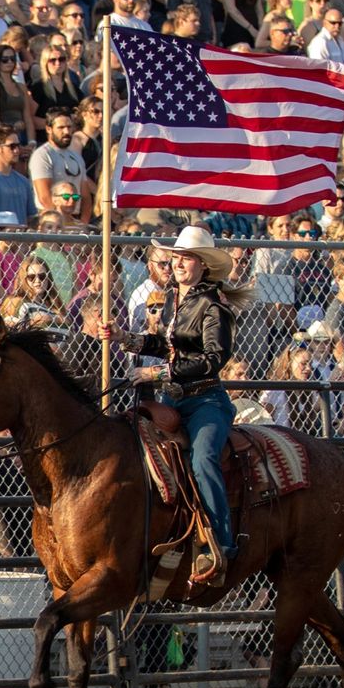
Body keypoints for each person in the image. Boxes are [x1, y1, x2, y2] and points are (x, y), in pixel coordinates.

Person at [103, 226, 250, 583]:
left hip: (205, 401)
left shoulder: (215, 307)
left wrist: (158, 374)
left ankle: (221, 545)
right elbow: (166, 345)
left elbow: (214, 358)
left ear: (202, 265)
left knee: (203, 459)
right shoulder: (172, 299)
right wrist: (127, 339)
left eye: (187, 258)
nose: (179, 263)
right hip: (170, 399)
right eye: (177, 256)